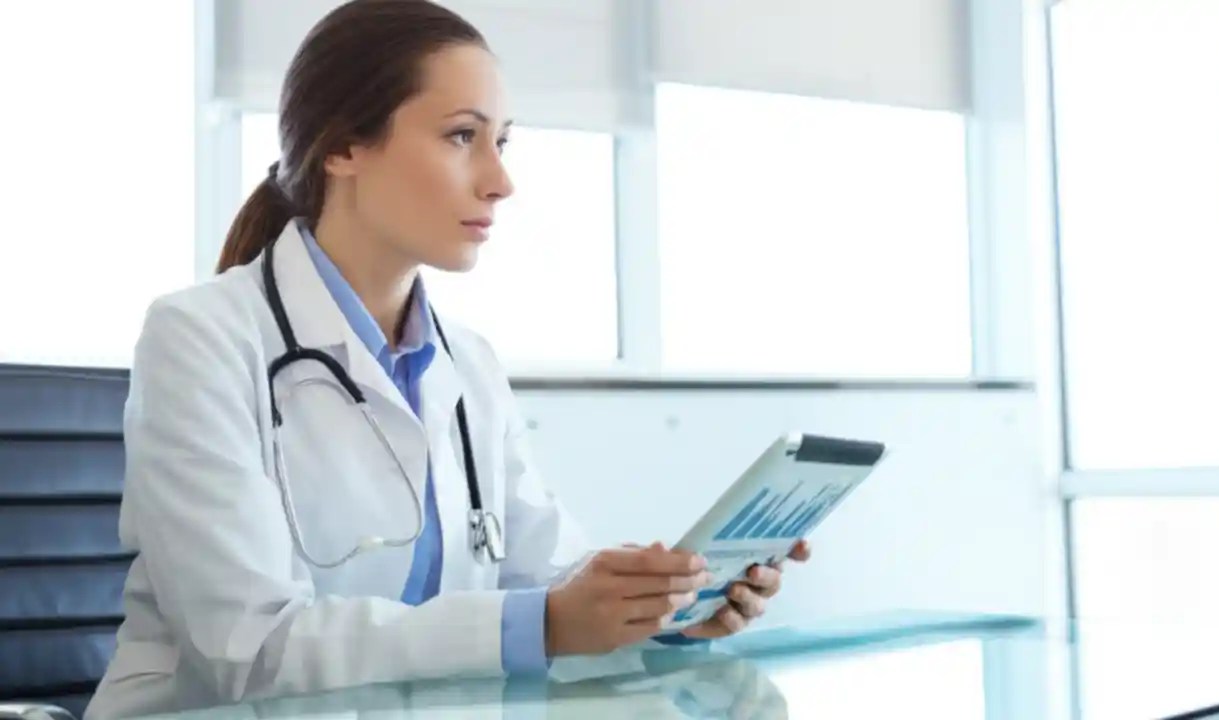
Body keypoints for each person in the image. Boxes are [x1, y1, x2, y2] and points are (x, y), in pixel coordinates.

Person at [85, 1, 809, 718]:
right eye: (463, 136)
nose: (500, 181)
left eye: (503, 142)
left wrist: (668, 608)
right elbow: (254, 651)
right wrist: (544, 621)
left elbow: (548, 575)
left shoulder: (468, 362)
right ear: (342, 148)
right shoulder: (200, 338)